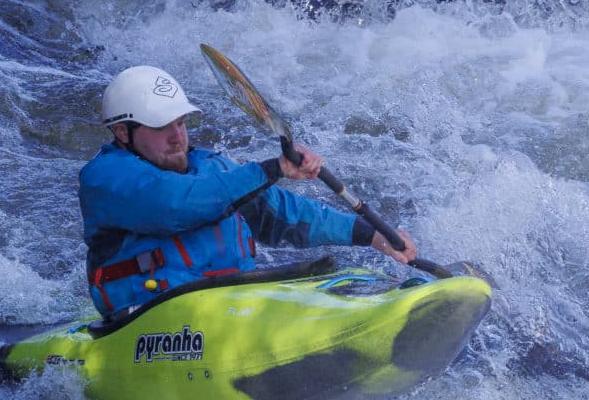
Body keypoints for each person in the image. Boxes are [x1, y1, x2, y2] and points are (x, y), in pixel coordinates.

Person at [79, 64, 418, 315]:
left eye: (180, 123)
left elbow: (287, 214)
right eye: (161, 127)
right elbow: (176, 205)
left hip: (232, 308)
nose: (177, 137)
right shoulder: (105, 178)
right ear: (123, 133)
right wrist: (273, 169)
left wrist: (372, 236)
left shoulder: (213, 169)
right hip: (148, 320)